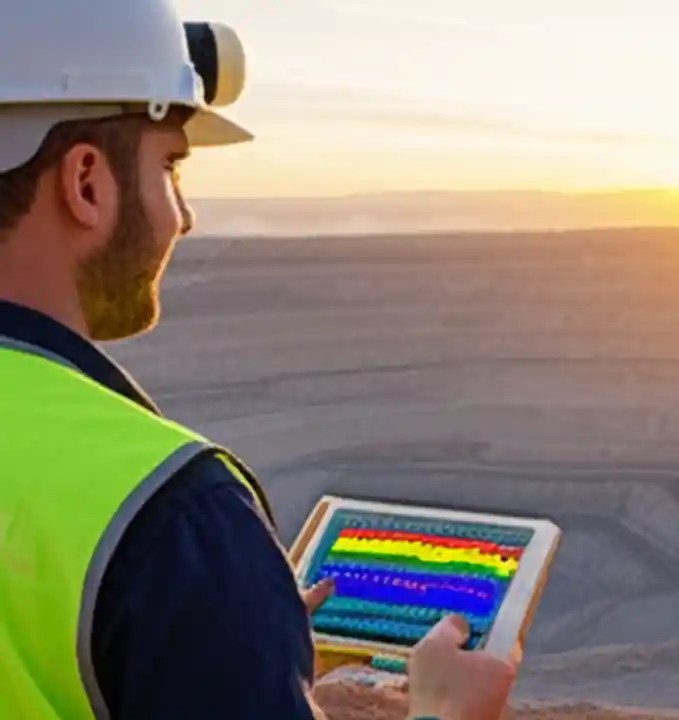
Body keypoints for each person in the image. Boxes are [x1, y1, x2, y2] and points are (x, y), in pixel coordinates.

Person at [0, 1, 519, 718]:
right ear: (86, 182)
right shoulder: (169, 520)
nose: (183, 216)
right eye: (169, 166)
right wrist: (444, 713)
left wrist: (241, 652)